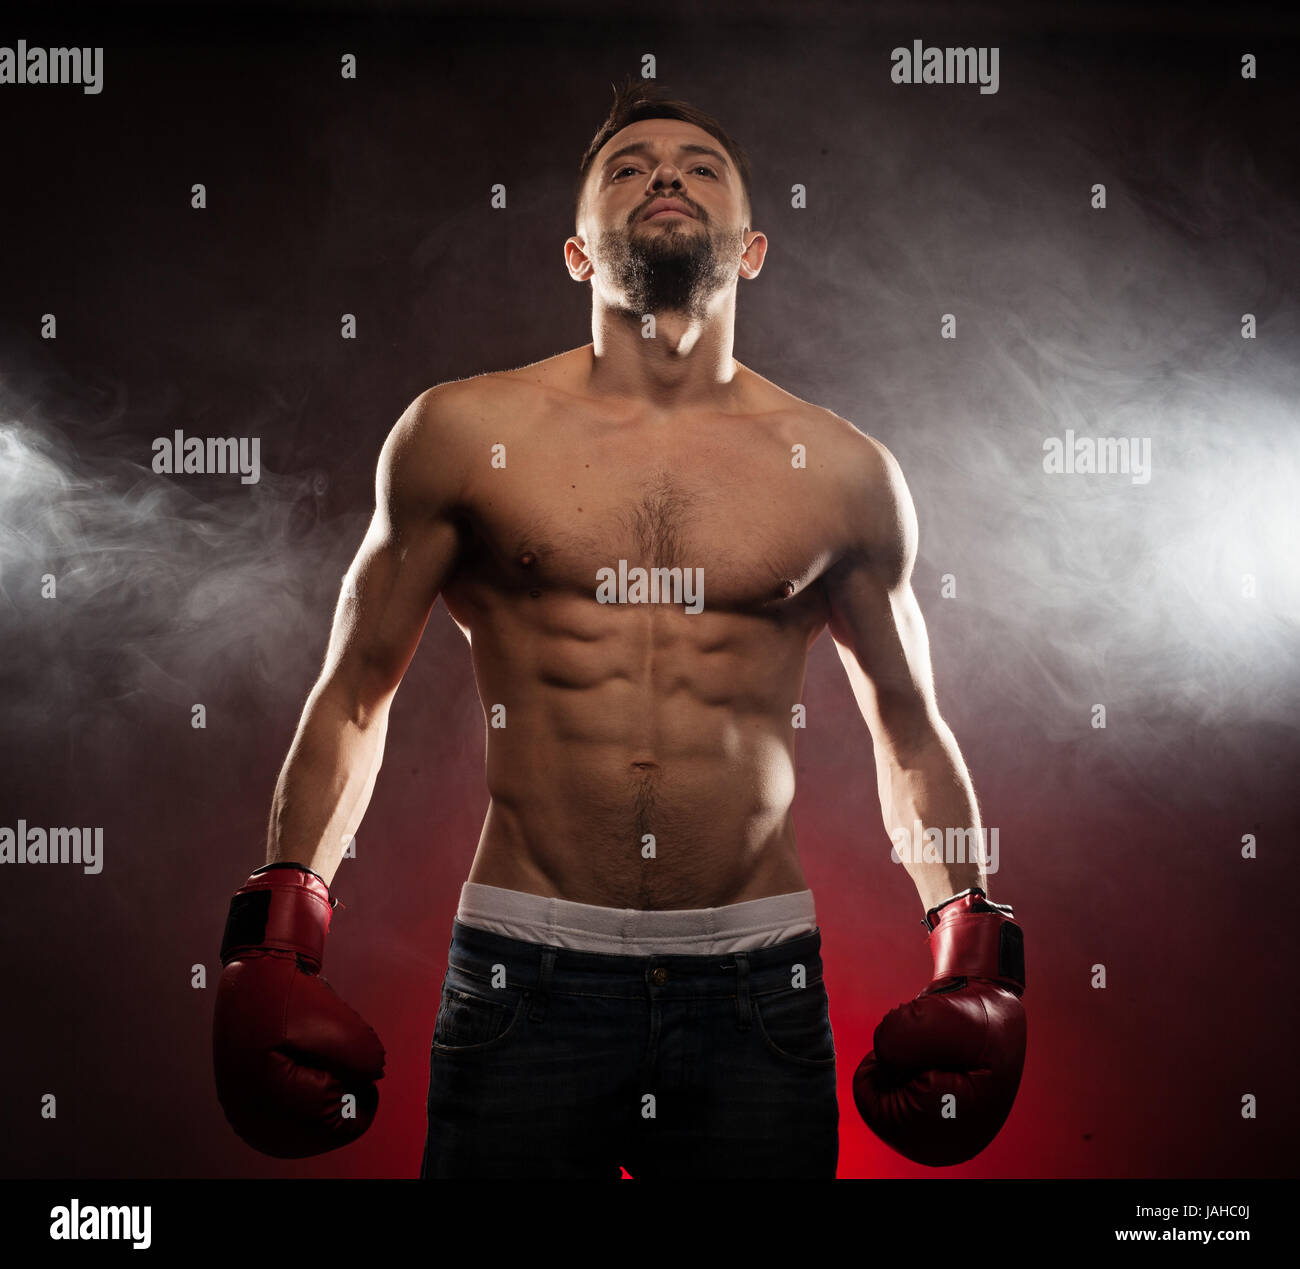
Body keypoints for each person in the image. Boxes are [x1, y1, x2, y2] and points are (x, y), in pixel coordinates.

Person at [212, 81, 1026, 1178]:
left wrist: (973, 952)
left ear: (753, 249)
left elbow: (910, 730)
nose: (665, 174)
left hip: (755, 981)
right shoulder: (460, 434)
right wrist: (277, 936)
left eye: (699, 164)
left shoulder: (841, 471)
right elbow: (355, 690)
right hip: (522, 970)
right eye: (628, 165)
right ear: (576, 255)